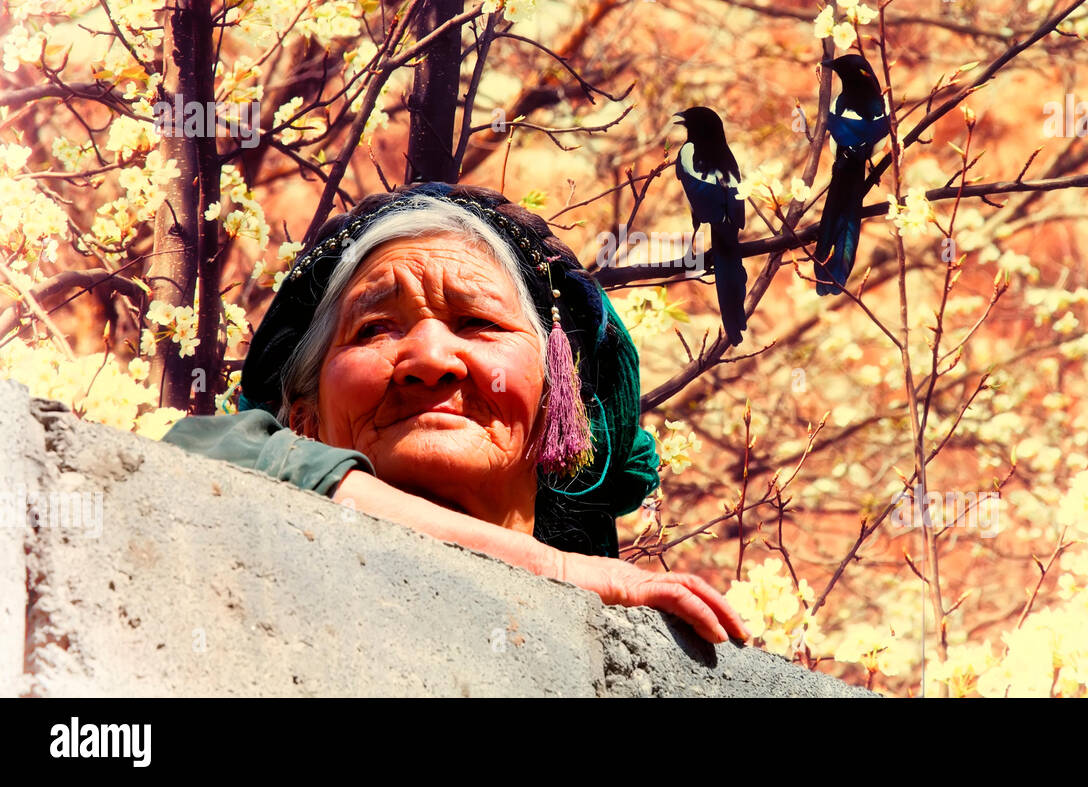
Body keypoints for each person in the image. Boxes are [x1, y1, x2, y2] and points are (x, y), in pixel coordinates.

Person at [164, 181, 748, 645]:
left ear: (559, 406)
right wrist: (555, 570)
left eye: (479, 323)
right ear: (300, 422)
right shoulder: (215, 531)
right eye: (374, 329)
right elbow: (208, 449)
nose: (430, 359)